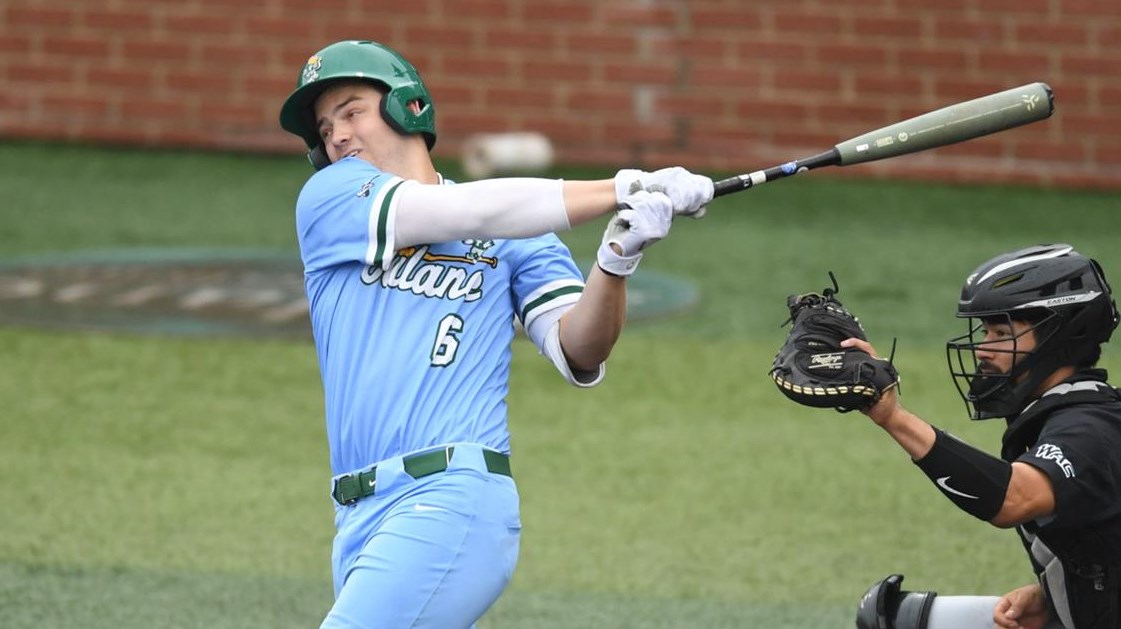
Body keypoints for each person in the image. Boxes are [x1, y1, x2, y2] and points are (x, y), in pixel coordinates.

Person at [277, 39, 714, 629]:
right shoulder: (331, 200)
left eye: (352, 111)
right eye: (325, 128)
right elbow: (475, 213)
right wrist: (622, 187)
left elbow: (577, 349)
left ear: (407, 107)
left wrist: (614, 261)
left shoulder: (519, 229)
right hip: (356, 519)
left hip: (452, 501)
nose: (337, 136)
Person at [843, 243, 1121, 629]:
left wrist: (893, 417)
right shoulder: (1066, 414)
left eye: (1001, 332)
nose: (982, 349)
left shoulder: (1089, 429)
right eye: (985, 330)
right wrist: (1057, 592)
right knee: (896, 618)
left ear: (1059, 336)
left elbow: (1014, 498)